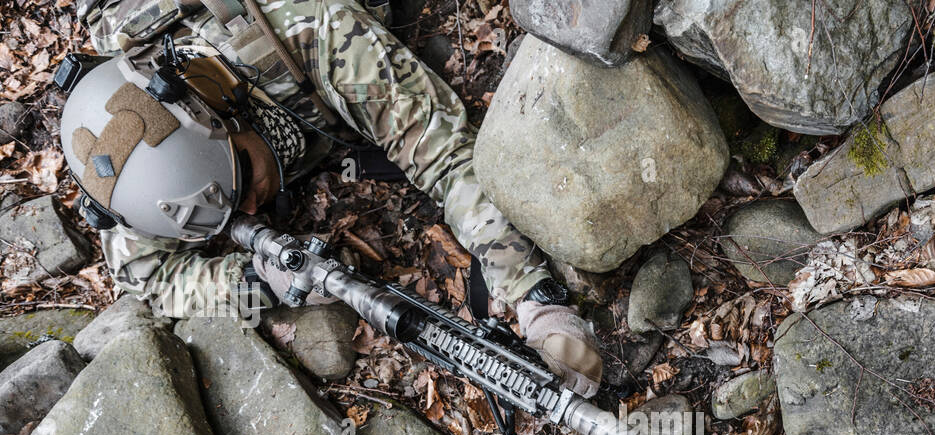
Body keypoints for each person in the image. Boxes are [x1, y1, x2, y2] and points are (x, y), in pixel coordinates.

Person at [57, 0, 602, 397]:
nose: (250, 212)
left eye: (244, 179)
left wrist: (536, 299)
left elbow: (443, 154)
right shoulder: (134, 154)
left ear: (224, 109)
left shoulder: (314, 30)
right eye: (224, 215)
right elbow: (152, 280)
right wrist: (253, 284)